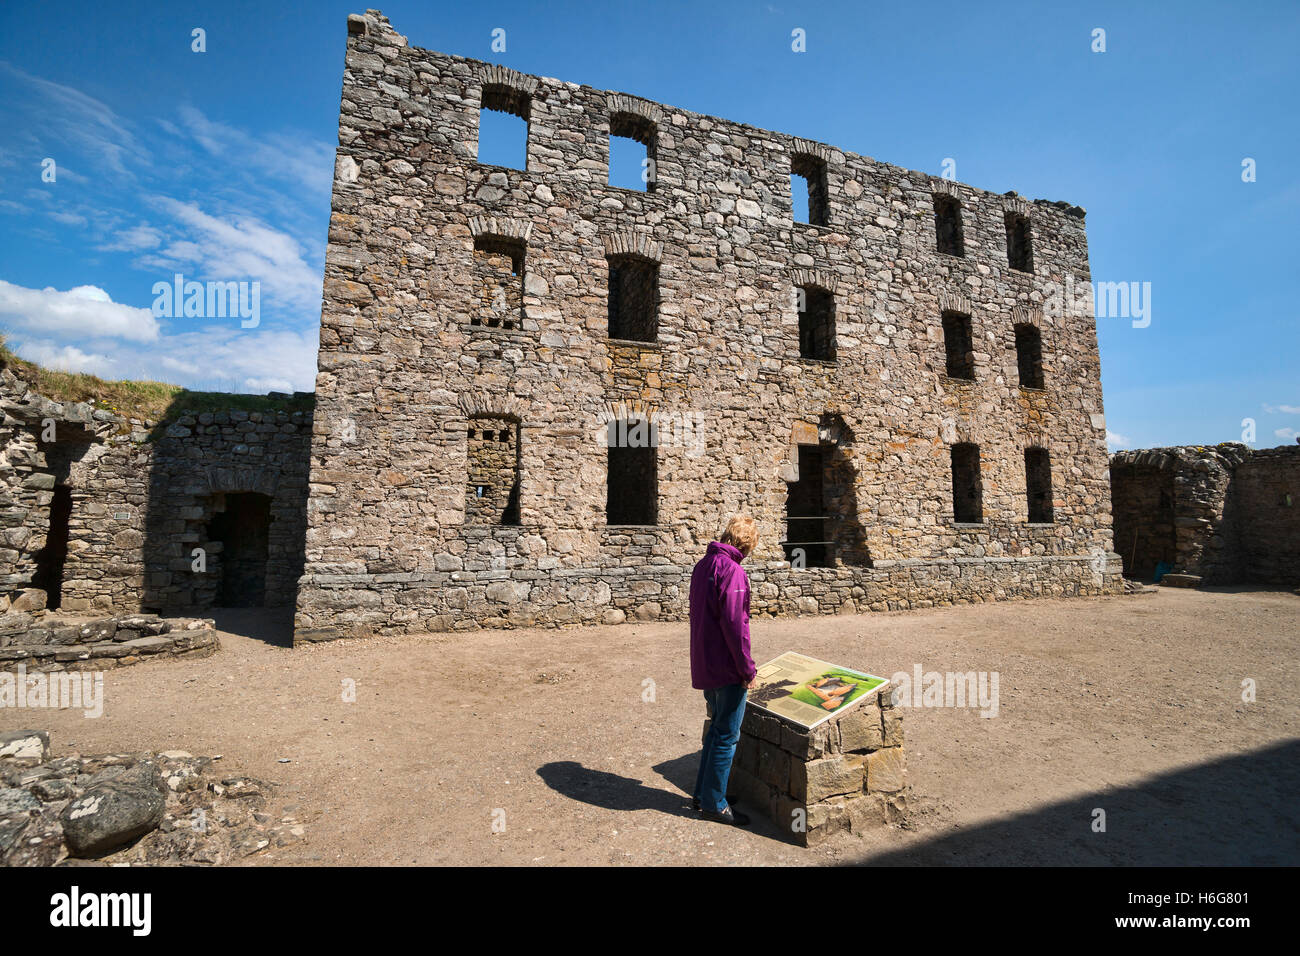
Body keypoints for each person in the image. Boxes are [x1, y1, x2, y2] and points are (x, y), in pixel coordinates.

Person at [689, 514, 759, 826]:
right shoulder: (732, 571)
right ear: (745, 545)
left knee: (715, 731)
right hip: (726, 667)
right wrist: (747, 668)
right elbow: (735, 625)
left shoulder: (703, 565)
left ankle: (704, 793)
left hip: (706, 661)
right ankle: (714, 803)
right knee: (726, 735)